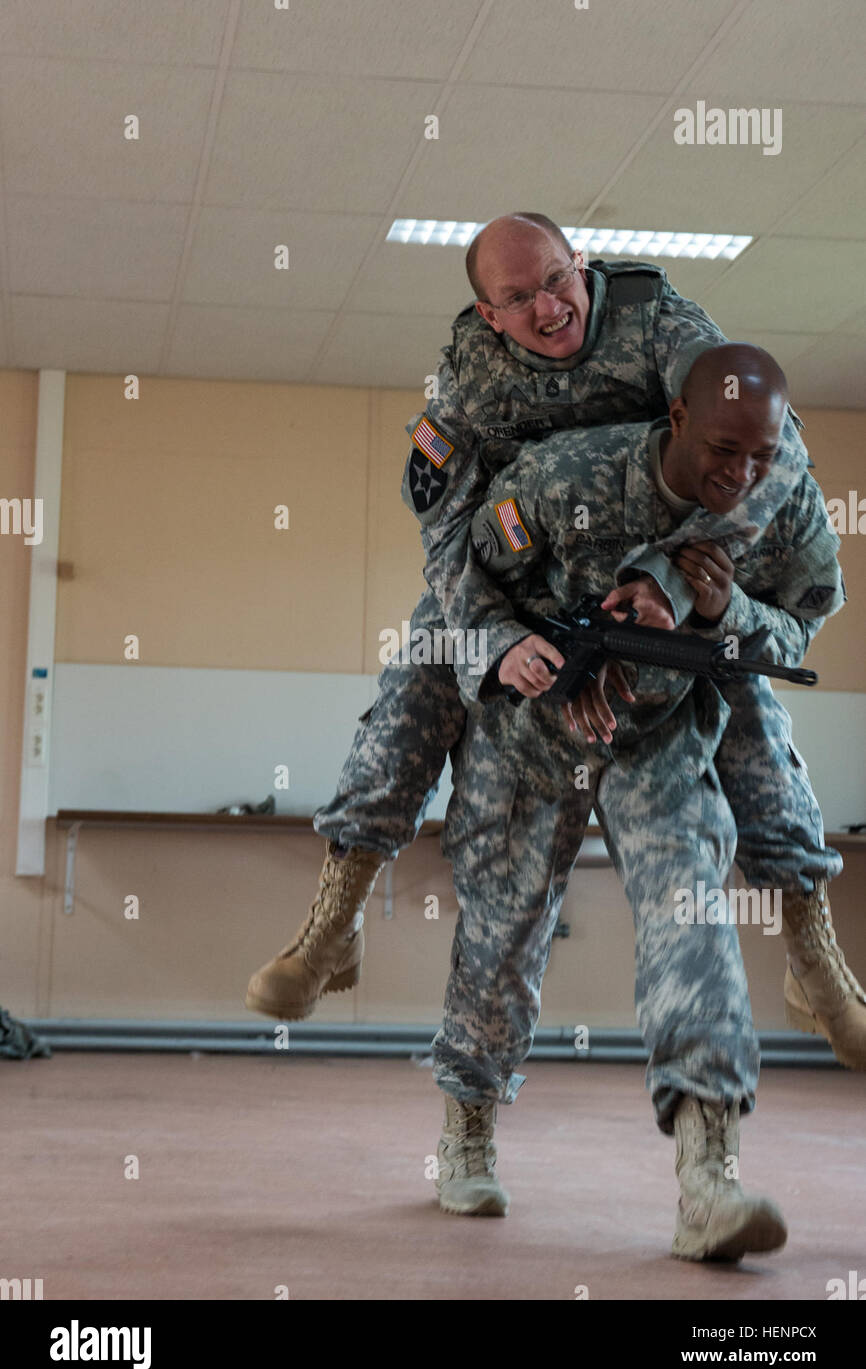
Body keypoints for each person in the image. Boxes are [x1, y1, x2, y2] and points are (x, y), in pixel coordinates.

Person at [244, 214, 865, 1072]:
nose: (548, 308)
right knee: (418, 680)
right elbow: (446, 533)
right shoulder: (467, 375)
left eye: (557, 280)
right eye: (518, 297)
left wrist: (683, 587)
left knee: (748, 702)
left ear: (581, 264)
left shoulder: (659, 322)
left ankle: (815, 959)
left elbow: (771, 457)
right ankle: (335, 923)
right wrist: (496, 640)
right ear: (487, 312)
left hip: (659, 589)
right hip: (517, 583)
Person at [431, 344, 844, 1260]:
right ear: (679, 420)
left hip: (660, 733)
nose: (741, 476)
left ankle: (709, 1179)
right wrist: (521, 649)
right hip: (535, 732)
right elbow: (471, 583)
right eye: (724, 451)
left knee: (693, 917)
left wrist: (728, 609)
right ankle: (467, 1125)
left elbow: (799, 628)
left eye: (762, 457)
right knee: (501, 934)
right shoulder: (565, 474)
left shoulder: (784, 503)